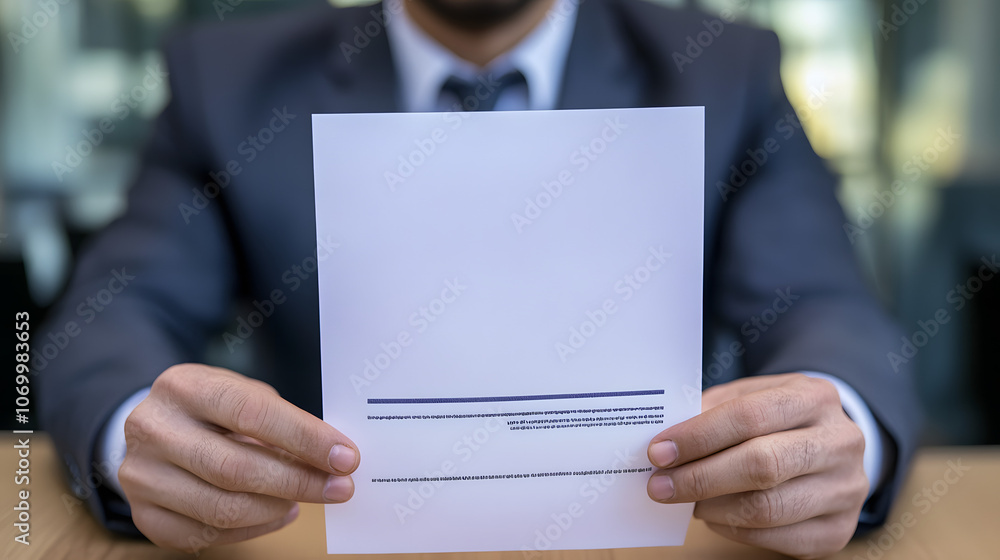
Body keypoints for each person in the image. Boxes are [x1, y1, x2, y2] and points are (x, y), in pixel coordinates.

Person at [37, 0, 922, 557]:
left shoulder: (725, 69)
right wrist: (132, 438)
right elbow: (109, 321)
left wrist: (835, 431)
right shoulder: (227, 81)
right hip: (324, 531)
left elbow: (823, 307)